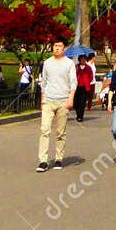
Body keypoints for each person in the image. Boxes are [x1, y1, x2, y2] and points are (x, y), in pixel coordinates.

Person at [36, 38, 76, 173]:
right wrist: (43, 98)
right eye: (55, 45)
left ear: (64, 48)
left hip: (63, 100)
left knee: (60, 132)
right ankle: (43, 160)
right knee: (44, 130)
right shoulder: (47, 63)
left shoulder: (69, 63)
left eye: (59, 46)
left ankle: (59, 158)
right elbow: (44, 82)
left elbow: (73, 82)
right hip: (48, 100)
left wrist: (70, 98)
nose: (57, 48)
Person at [74, 56, 94, 123]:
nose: (83, 60)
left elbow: (91, 76)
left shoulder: (88, 67)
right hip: (77, 86)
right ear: (79, 60)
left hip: (85, 87)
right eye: (82, 59)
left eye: (84, 59)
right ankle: (78, 114)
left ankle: (80, 116)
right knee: (76, 102)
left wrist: (88, 82)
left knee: (82, 102)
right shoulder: (76, 67)